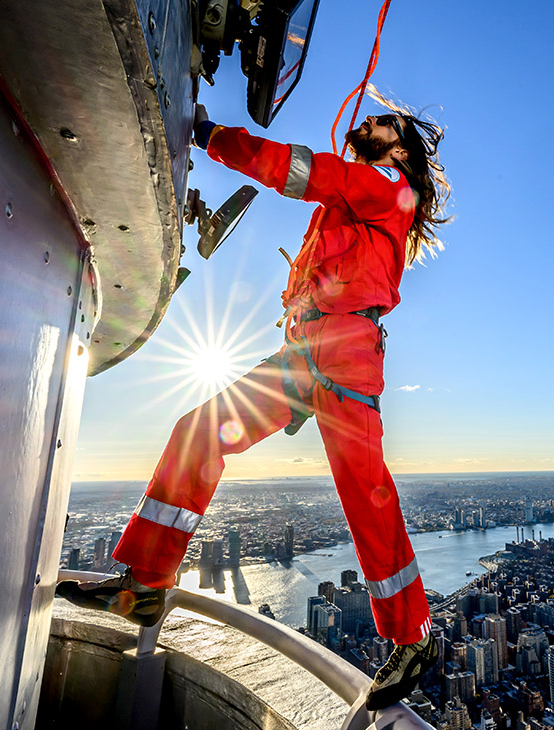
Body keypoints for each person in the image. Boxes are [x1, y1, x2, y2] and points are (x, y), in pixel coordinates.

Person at [58, 102, 450, 710]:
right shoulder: (353, 204)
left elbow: (301, 170)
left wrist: (214, 137)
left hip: (346, 350)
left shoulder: (385, 186)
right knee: (201, 429)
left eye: (384, 125)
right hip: (308, 349)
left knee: (364, 490)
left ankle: (412, 636)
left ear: (399, 151)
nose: (369, 125)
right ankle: (146, 585)